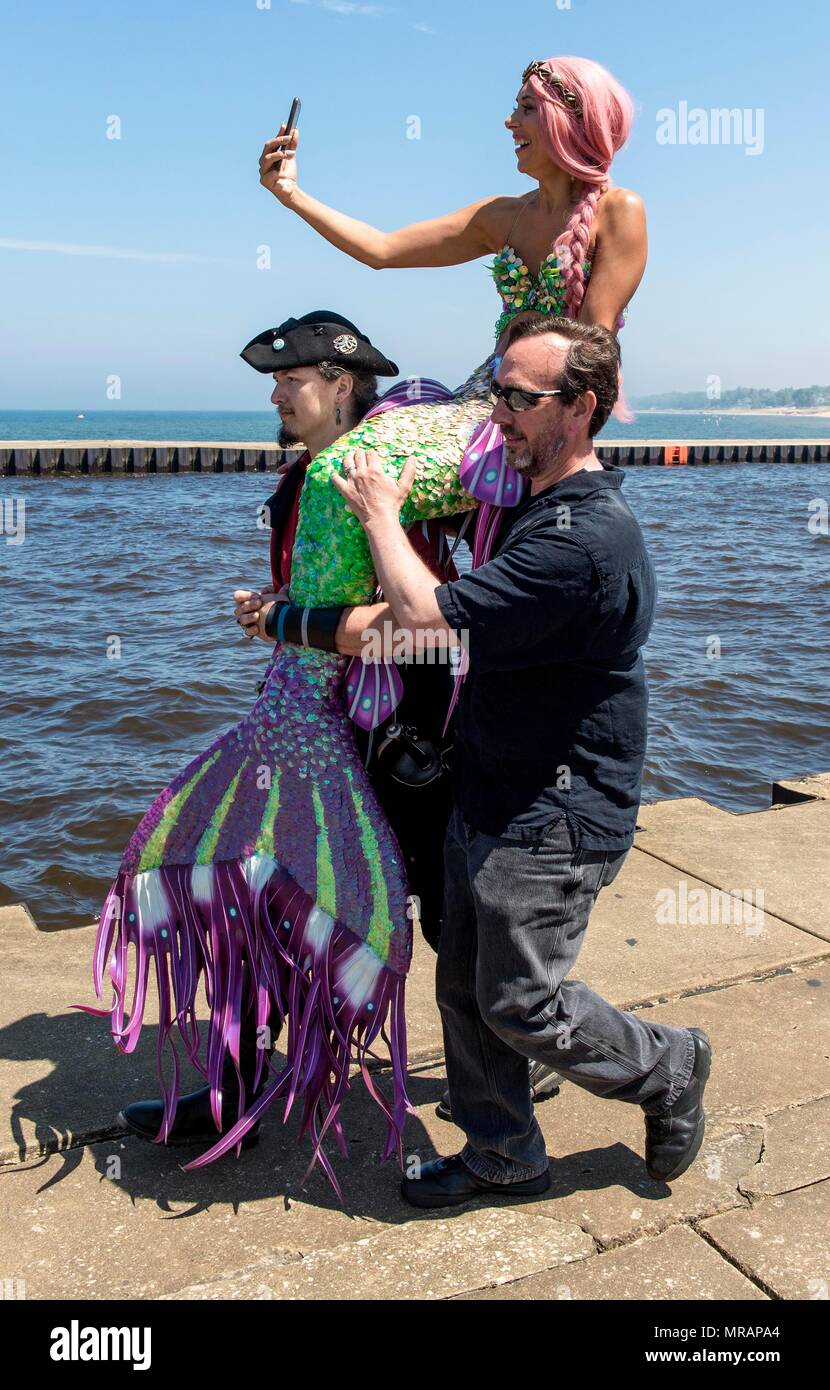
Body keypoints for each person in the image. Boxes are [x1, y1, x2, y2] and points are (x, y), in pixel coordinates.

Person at [310, 315, 712, 1209]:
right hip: (493, 788)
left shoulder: (581, 542)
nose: (499, 413)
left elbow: (428, 621)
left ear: (585, 408)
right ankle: (503, 1152)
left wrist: (378, 511)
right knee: (463, 989)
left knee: (517, 1003)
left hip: (556, 816)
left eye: (522, 398)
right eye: (496, 390)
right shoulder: (536, 508)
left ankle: (665, 1063)